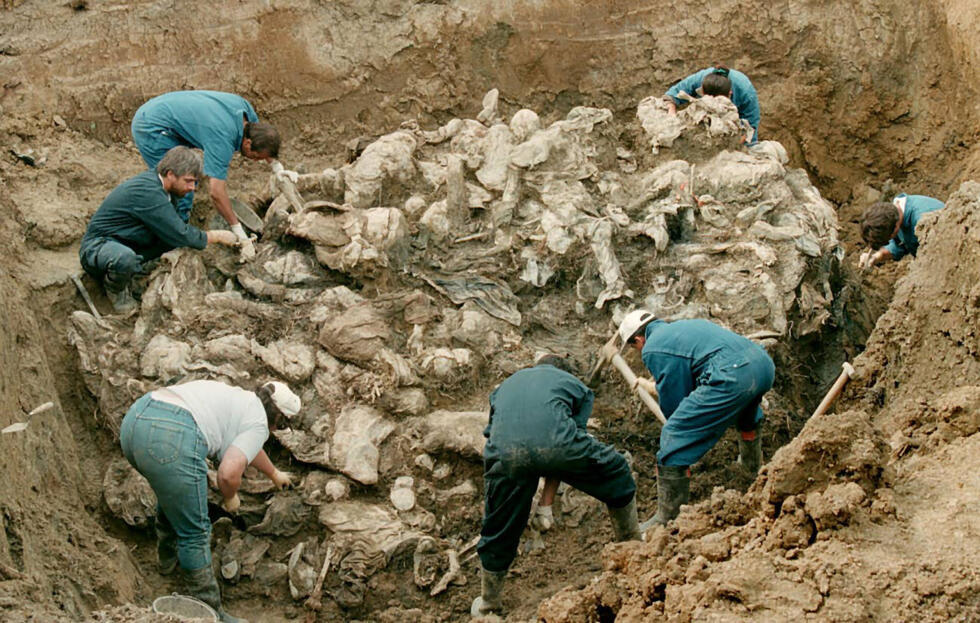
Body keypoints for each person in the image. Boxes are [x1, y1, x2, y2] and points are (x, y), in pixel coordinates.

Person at [472, 355, 639, 618]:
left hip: (506, 452)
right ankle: (633, 551)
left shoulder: (504, 386)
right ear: (565, 371)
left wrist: (544, 505)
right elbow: (565, 443)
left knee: (498, 523)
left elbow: (497, 432)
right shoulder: (577, 387)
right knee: (616, 470)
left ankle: (488, 604)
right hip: (557, 446)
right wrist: (546, 503)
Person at [119, 379, 300, 623]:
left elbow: (247, 446)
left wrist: (273, 473)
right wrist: (230, 497)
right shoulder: (259, 423)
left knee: (176, 494)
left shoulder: (241, 400)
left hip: (137, 421)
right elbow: (227, 474)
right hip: (171, 437)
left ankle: (167, 560)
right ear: (278, 419)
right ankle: (210, 612)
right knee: (194, 532)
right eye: (281, 427)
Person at [617, 310, 774, 529]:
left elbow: (675, 399)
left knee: (673, 435)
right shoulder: (685, 327)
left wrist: (681, 432)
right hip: (762, 365)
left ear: (638, 339)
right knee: (747, 414)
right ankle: (751, 468)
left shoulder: (652, 348)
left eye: (634, 347)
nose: (638, 351)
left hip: (732, 376)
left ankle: (667, 519)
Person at [131, 90, 299, 257]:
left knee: (188, 174)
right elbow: (216, 193)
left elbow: (265, 143)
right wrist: (238, 231)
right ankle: (174, 238)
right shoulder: (222, 139)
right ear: (247, 143)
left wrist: (278, 169)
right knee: (181, 187)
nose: (256, 161)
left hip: (165, 109)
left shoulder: (247, 114)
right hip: (152, 126)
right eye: (256, 157)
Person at [79, 146, 241, 312]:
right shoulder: (149, 192)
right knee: (126, 258)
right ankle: (116, 289)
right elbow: (180, 233)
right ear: (170, 174)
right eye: (188, 181)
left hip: (128, 241)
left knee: (168, 241)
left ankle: (138, 272)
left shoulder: (166, 190)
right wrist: (216, 235)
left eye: (195, 182)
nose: (193, 187)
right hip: (99, 247)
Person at [664, 65, 760, 144]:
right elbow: (671, 95)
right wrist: (671, 115)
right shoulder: (698, 80)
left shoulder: (746, 92)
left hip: (735, 123)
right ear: (701, 91)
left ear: (730, 94)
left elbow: (751, 127)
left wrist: (733, 144)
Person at [859, 193, 944, 269]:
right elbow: (899, 244)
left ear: (895, 228)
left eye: (888, 239)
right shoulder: (894, 214)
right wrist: (877, 256)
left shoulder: (923, 220)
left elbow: (937, 260)